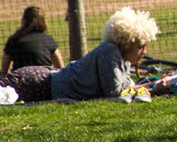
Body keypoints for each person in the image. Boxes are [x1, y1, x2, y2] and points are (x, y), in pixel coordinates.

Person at [0, 7, 158, 103]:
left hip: (45, 79)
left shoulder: (121, 59)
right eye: (140, 47)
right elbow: (115, 94)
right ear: (126, 43)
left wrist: (155, 84)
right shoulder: (110, 52)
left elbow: (128, 87)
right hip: (39, 83)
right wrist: (153, 89)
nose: (144, 52)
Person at [2, 7, 64, 75]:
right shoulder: (47, 39)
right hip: (43, 79)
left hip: (21, 80)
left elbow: (5, 69)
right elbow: (60, 67)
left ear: (24, 20)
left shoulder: (14, 40)